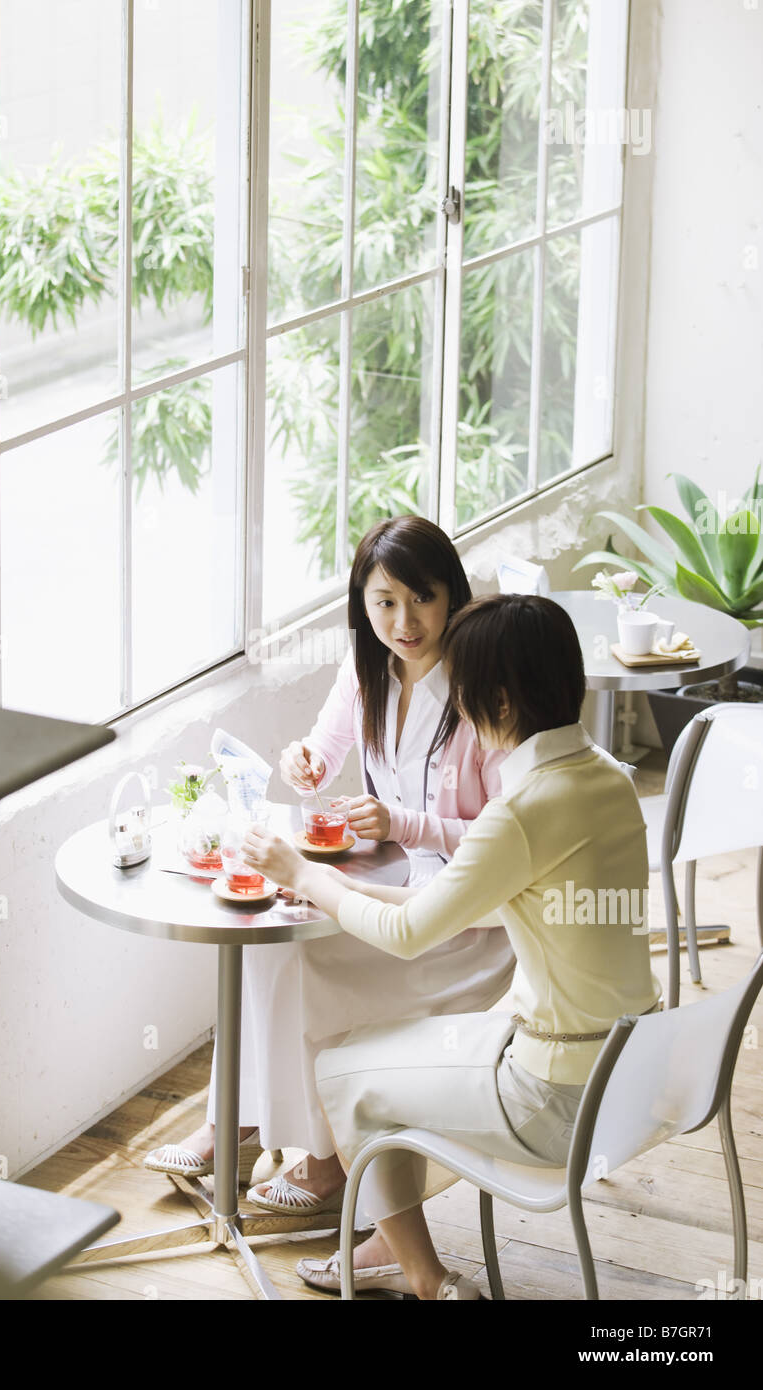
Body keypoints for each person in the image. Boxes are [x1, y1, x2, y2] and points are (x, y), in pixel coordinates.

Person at [242, 593, 663, 1299]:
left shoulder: (523, 811)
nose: (457, 709)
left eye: (462, 692)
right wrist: (331, 891)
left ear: (496, 698)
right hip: (631, 1072)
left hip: (559, 1096)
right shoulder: (608, 779)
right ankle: (388, 1242)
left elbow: (409, 938)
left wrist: (305, 875)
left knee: (342, 1068)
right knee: (388, 1059)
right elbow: (464, 905)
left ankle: (423, 1276)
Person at [143, 517, 515, 1232]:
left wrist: (406, 824)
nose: (403, 622)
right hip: (396, 886)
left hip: (467, 915)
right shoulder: (366, 666)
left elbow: (513, 836)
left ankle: (322, 1156)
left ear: (452, 596)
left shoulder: (483, 688)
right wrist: (304, 763)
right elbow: (320, 748)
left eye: (421, 599)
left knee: (303, 963)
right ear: (362, 604)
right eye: (383, 602)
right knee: (266, 943)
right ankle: (241, 1121)